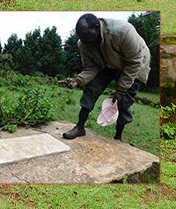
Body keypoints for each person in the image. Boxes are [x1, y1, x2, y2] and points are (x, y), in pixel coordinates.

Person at [59, 13, 150, 142]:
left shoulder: (122, 31)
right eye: (80, 37)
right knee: (91, 89)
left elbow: (134, 62)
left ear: (97, 28)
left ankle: (118, 138)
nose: (83, 40)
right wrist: (77, 81)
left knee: (123, 101)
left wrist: (121, 90)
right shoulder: (83, 43)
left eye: (85, 35)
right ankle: (79, 127)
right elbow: (90, 68)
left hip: (135, 65)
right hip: (108, 64)